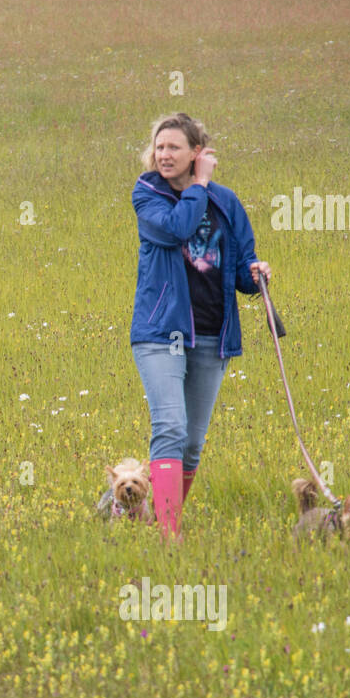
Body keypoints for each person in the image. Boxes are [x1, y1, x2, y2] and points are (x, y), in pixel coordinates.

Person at [130, 113, 272, 539]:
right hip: (160, 333)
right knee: (170, 427)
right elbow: (177, 230)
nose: (164, 154)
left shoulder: (226, 202)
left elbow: (240, 267)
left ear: (196, 151)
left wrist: (256, 274)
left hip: (212, 334)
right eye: (160, 147)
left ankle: (140, 511)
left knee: (191, 443)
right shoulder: (148, 193)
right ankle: (168, 536)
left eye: (174, 147)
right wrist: (199, 186)